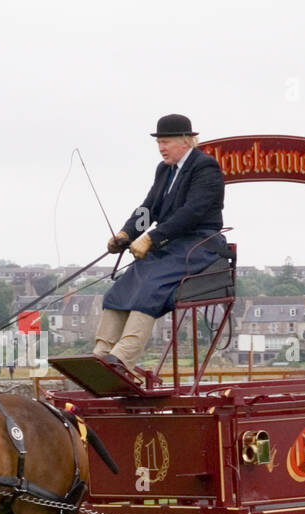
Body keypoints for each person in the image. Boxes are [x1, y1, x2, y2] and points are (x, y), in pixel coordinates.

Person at [93, 114, 226, 372]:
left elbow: (192, 213)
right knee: (121, 287)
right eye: (159, 143)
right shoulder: (164, 170)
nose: (161, 148)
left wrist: (152, 238)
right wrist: (126, 234)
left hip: (199, 244)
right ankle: (101, 352)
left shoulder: (205, 167)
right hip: (168, 245)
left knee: (150, 286)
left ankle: (122, 359)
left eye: (166, 142)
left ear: (186, 140)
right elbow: (149, 209)